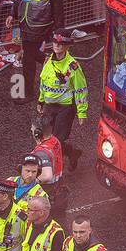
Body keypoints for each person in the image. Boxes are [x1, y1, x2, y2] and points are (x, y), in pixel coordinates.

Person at [9, 0, 63, 103]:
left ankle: (28, 93)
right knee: (30, 53)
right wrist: (12, 14)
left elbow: (58, 9)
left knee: (28, 57)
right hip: (25, 22)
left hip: (41, 25)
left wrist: (58, 32)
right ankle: (55, 66)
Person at [36, 30, 88, 171]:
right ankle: (72, 152)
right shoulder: (47, 61)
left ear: (67, 46)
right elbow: (43, 83)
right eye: (55, 42)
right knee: (43, 137)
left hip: (65, 108)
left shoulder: (73, 66)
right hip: (49, 106)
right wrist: (41, 101)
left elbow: (80, 89)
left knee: (57, 141)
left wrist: (81, 113)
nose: (57, 46)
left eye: (61, 44)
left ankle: (51, 171)